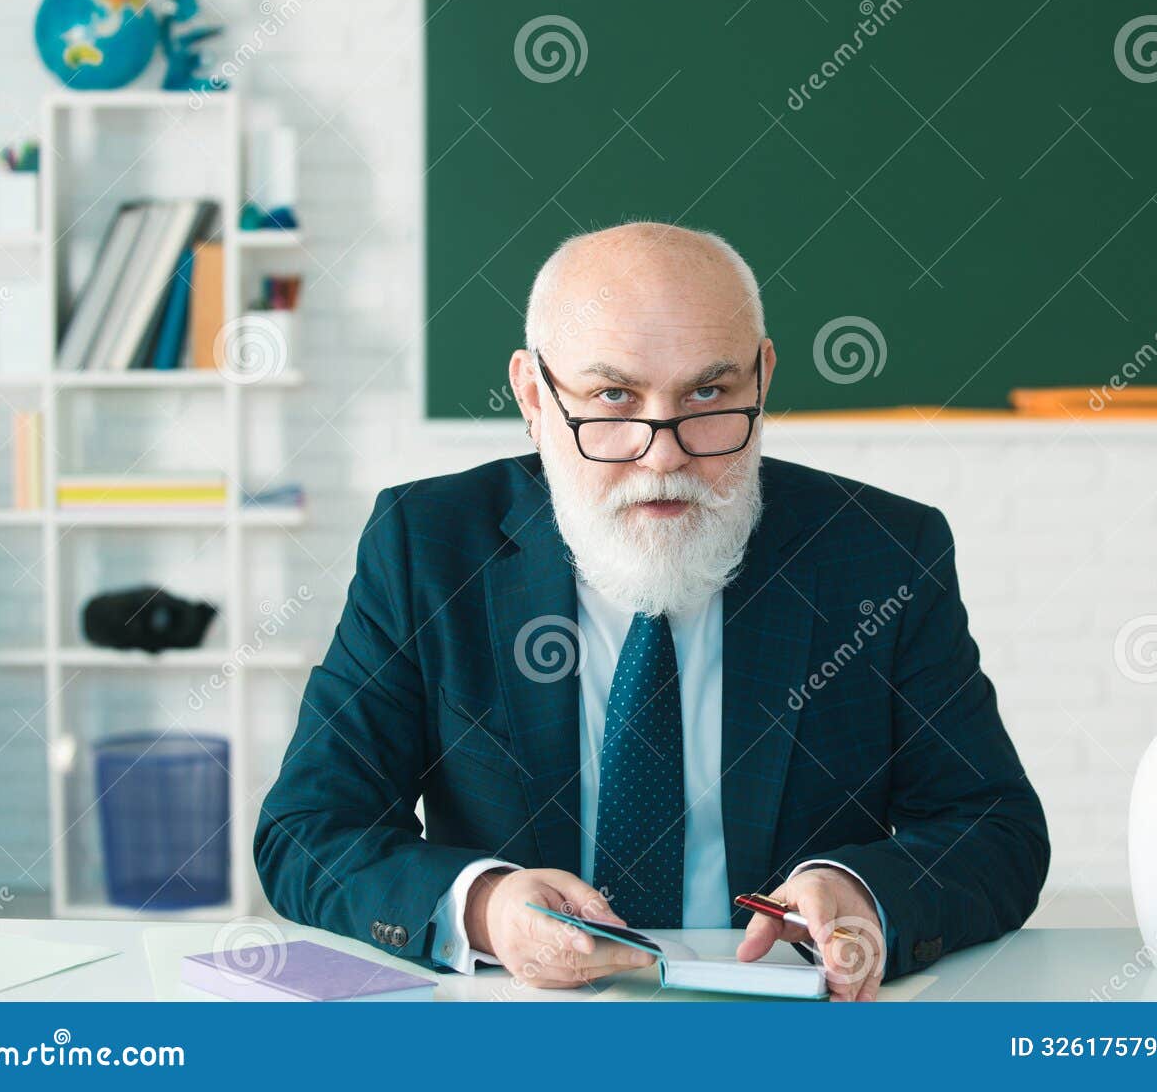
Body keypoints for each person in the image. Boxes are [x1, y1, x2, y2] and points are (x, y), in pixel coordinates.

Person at [255, 222, 1049, 1001]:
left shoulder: (883, 553)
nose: (664, 454)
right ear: (533, 395)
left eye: (708, 394)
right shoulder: (428, 546)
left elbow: (996, 827)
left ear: (763, 380)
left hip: (786, 1025)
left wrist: (861, 890)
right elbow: (310, 828)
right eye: (613, 396)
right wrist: (486, 907)